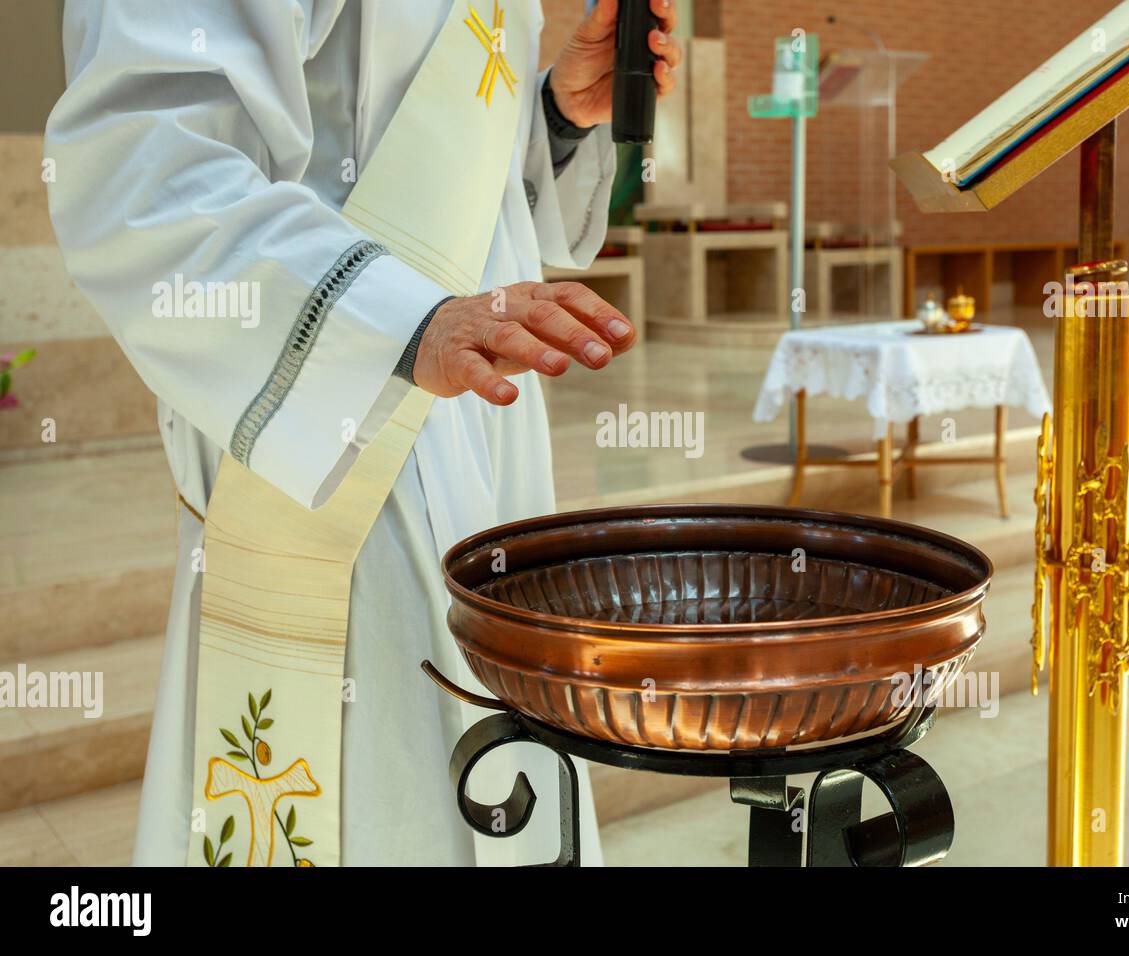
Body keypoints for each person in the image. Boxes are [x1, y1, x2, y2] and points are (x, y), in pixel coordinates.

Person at [45, 0, 680, 866]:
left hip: (476, 422)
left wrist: (557, 122)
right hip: (339, 428)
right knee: (383, 795)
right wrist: (399, 323)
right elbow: (145, 166)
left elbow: (461, 185)